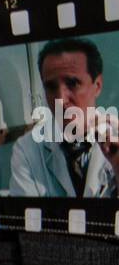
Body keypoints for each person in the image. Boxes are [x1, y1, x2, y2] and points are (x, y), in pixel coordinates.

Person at [9, 39, 119, 197]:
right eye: (51, 87)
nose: (60, 99)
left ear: (97, 86)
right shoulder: (27, 150)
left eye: (73, 83)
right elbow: (26, 217)